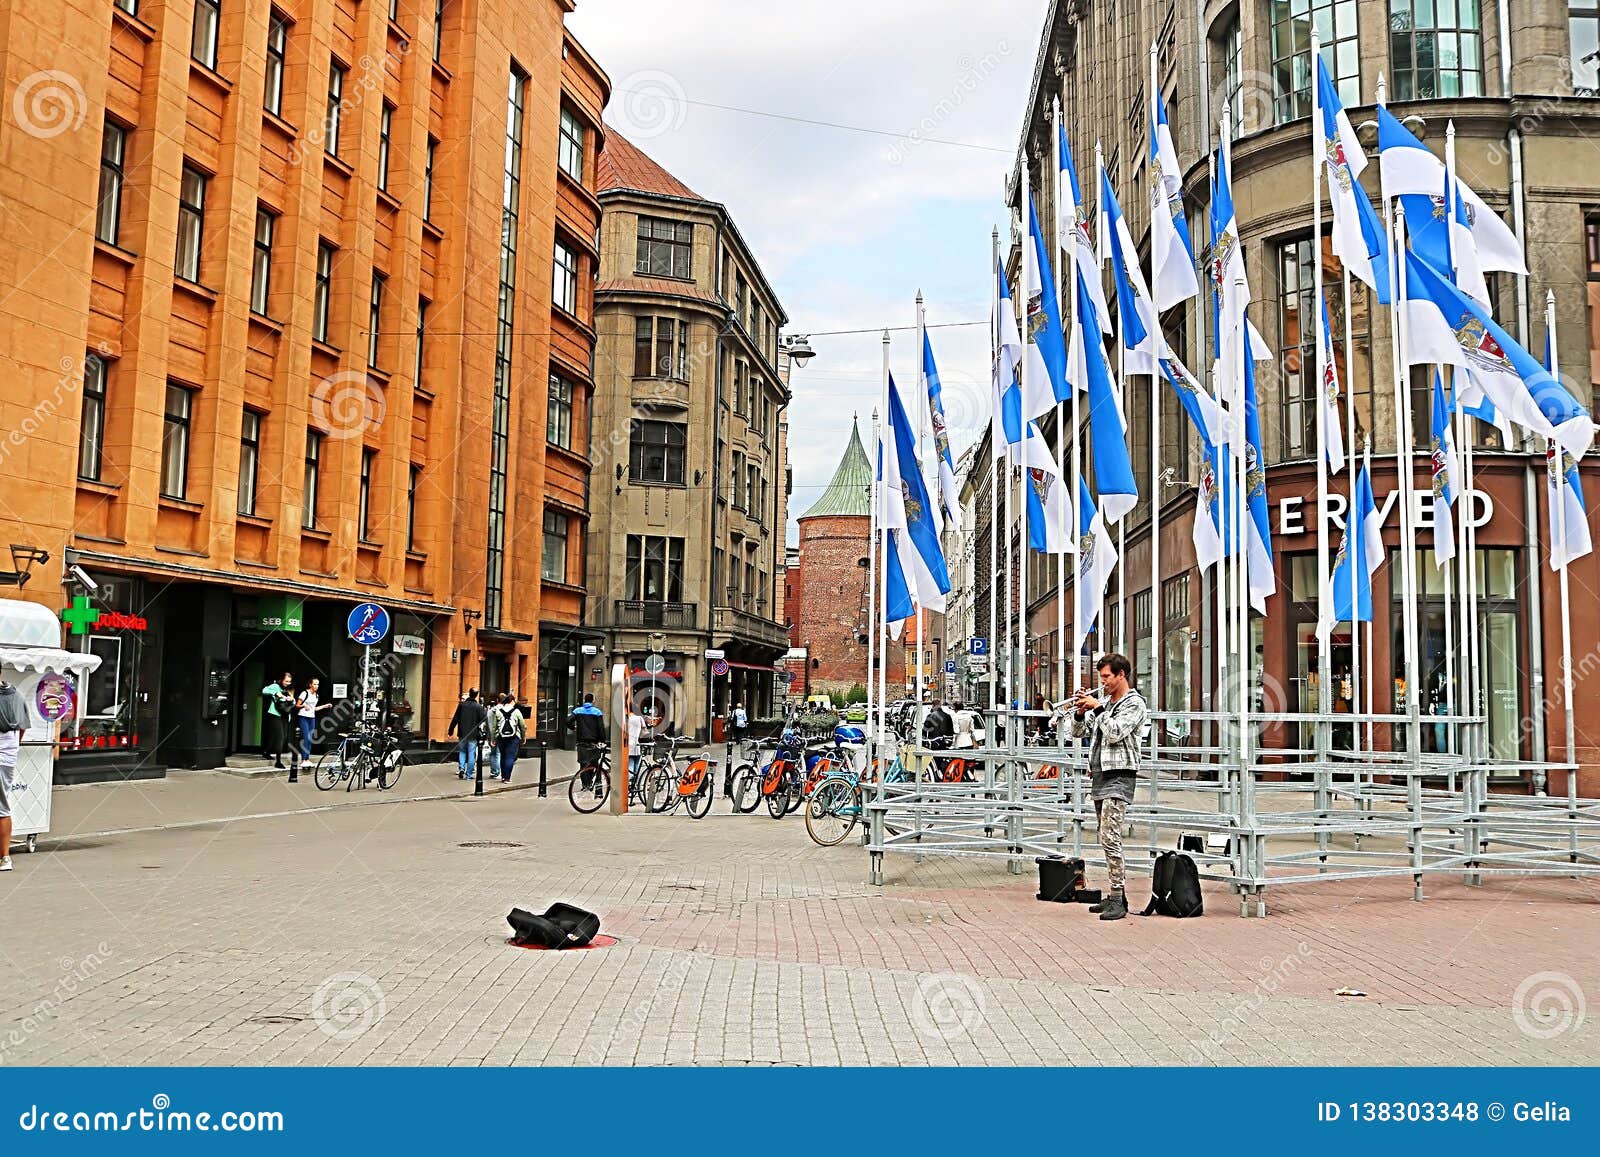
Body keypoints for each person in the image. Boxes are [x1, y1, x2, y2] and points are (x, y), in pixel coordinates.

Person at [1071, 653, 1149, 922]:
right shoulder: (1105, 703)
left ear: (1121, 675)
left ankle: (1118, 897)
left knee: (1110, 836)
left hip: (1120, 775)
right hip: (1100, 775)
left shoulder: (1134, 704)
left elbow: (1116, 732)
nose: (1102, 682)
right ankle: (1117, 895)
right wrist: (1081, 713)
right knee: (1105, 838)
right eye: (1101, 677)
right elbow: (1080, 733)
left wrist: (1098, 708)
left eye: (1106, 677)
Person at [0, 678, 30, 872]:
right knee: (2, 806)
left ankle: (5, 857)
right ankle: (4, 857)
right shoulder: (16, 694)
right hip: (7, 756)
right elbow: (23, 727)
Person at [293, 677, 334, 771]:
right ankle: (304, 759)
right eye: (315, 684)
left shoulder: (316, 695)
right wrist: (304, 705)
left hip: (312, 718)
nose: (316, 686)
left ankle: (307, 759)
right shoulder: (305, 693)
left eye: (318, 684)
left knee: (310, 739)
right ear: (310, 684)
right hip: (303, 717)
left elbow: (314, 708)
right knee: (306, 737)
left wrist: (325, 706)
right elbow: (297, 705)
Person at [568, 693, 606, 788]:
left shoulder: (578, 711)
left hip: (581, 742)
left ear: (585, 700)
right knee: (594, 763)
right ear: (593, 700)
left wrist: (574, 727)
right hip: (594, 742)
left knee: (583, 764)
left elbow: (568, 721)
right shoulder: (597, 712)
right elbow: (601, 728)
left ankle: (585, 784)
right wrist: (603, 740)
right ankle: (593, 784)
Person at [448, 689, 488, 780]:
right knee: (471, 754)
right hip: (473, 734)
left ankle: (461, 768)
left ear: (469, 694)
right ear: (476, 695)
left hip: (462, 733)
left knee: (462, 751)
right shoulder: (478, 707)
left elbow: (455, 718)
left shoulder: (462, 705)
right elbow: (483, 719)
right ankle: (469, 775)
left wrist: (450, 730)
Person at [260, 673, 294, 769]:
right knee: (280, 737)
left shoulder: (289, 689)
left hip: (285, 715)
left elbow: (294, 702)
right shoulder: (275, 686)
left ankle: (266, 751)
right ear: (281, 680)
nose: (288, 683)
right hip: (275, 714)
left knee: (281, 737)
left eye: (289, 681)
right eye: (286, 681)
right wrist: (275, 693)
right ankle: (278, 762)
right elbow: (264, 690)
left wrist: (291, 699)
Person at [489, 693, 525, 783]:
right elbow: (522, 726)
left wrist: (493, 739)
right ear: (512, 701)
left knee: (503, 756)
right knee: (510, 757)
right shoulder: (516, 711)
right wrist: (523, 737)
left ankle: (503, 776)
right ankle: (507, 778)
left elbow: (494, 727)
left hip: (501, 737)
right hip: (514, 737)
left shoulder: (498, 711)